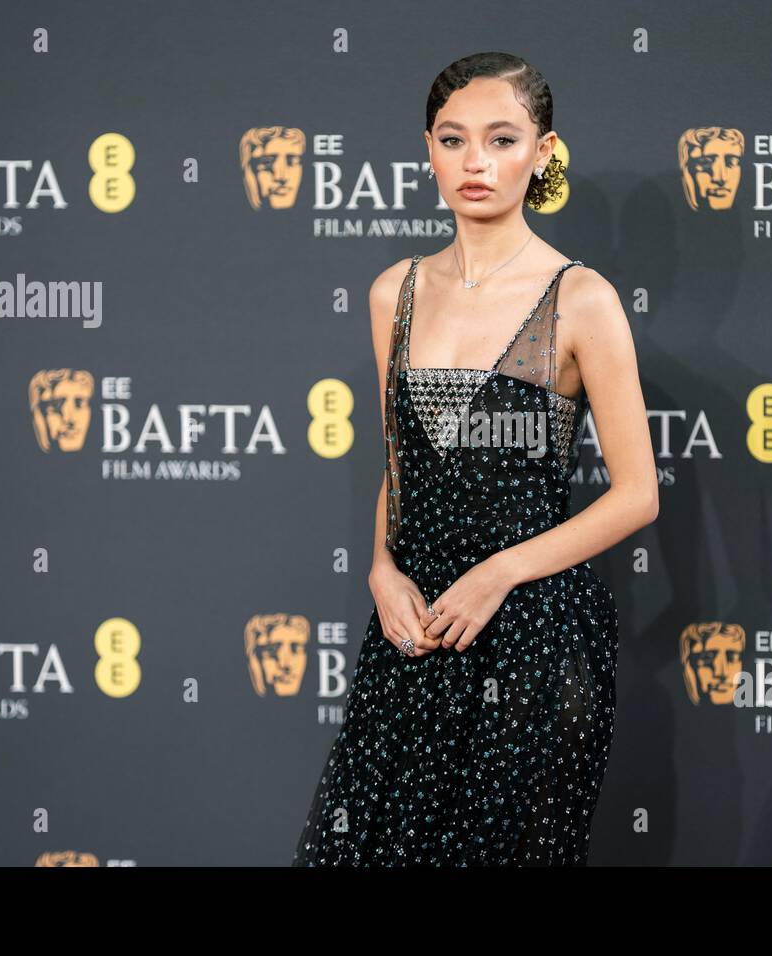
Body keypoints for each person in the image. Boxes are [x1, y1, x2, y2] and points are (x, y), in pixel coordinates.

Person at [292, 51, 658, 866]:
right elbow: (403, 468)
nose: (476, 163)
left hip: (531, 639)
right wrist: (379, 569)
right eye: (453, 141)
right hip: (414, 632)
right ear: (428, 149)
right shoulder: (395, 291)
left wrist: (498, 574)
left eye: (501, 139)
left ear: (544, 152)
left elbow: (636, 495)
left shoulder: (582, 299)